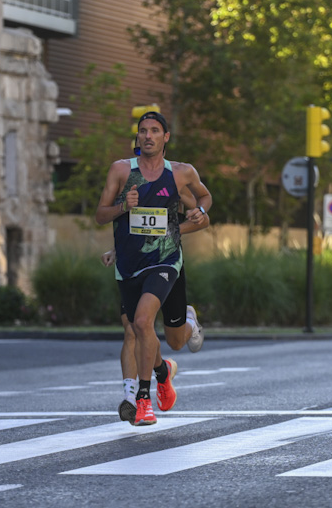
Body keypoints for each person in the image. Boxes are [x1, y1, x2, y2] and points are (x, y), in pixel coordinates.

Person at [95, 110, 211, 426]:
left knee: (144, 322)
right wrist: (123, 209)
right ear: (137, 136)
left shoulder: (180, 173)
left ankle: (143, 402)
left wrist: (198, 212)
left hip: (166, 261)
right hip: (131, 265)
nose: (148, 136)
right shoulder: (121, 171)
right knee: (149, 333)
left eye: (154, 130)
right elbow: (102, 215)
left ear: (165, 137)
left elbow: (204, 199)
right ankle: (162, 372)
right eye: (143, 130)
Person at [102, 183, 208, 424]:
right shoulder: (129, 182)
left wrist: (178, 226)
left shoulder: (175, 178)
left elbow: (201, 219)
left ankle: (188, 321)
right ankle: (132, 398)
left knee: (176, 341)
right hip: (134, 267)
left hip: (167, 264)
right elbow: (132, 229)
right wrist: (117, 249)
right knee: (134, 327)